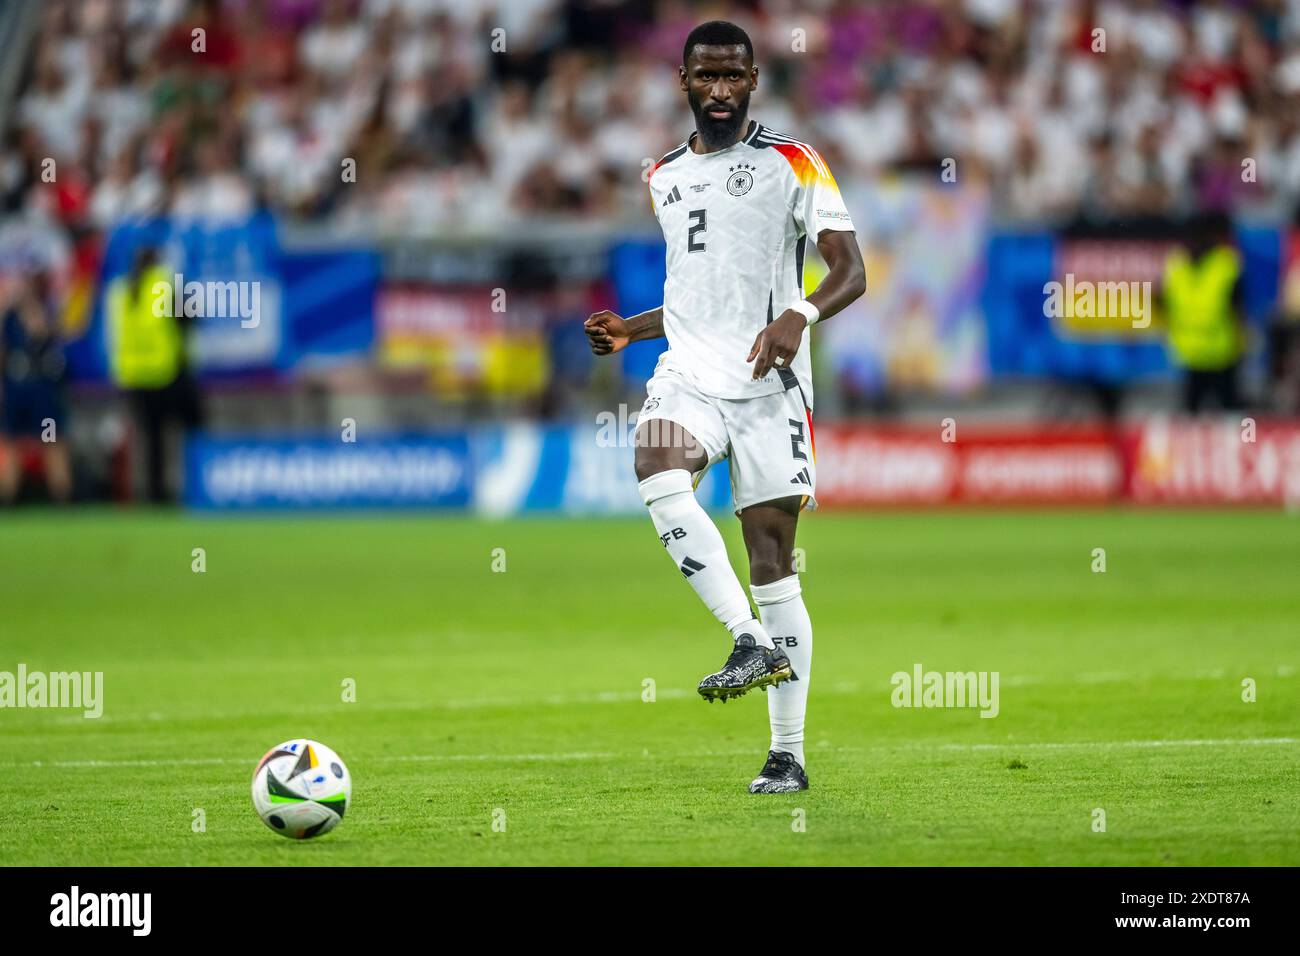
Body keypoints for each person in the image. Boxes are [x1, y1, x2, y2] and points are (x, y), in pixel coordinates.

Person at [584, 21, 865, 794]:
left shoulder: (794, 162)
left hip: (771, 386)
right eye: (705, 76)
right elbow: (695, 295)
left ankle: (787, 755)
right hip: (690, 376)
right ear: (683, 81)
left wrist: (797, 317)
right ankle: (744, 638)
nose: (719, 90)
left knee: (774, 569)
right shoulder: (662, 176)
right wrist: (633, 331)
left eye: (733, 76)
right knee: (655, 465)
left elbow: (851, 271)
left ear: (753, 82)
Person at [106, 246, 203, 503]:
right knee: (194, 426)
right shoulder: (163, 284)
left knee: (152, 439)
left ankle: (155, 494)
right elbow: (190, 317)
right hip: (166, 371)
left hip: (136, 375)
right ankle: (198, 485)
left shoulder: (121, 289)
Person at [1162, 213, 1245, 413]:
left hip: (1187, 350)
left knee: (1191, 413)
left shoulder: (1175, 263)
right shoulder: (1227, 263)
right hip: (1221, 350)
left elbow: (1165, 304)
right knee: (1229, 414)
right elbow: (1239, 307)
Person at [0, 271, 72, 504]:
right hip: (16, 390)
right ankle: (8, 499)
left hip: (42, 392)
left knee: (50, 441)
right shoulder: (9, 319)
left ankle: (60, 498)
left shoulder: (47, 313)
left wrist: (41, 326)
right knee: (11, 442)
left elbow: (57, 346)